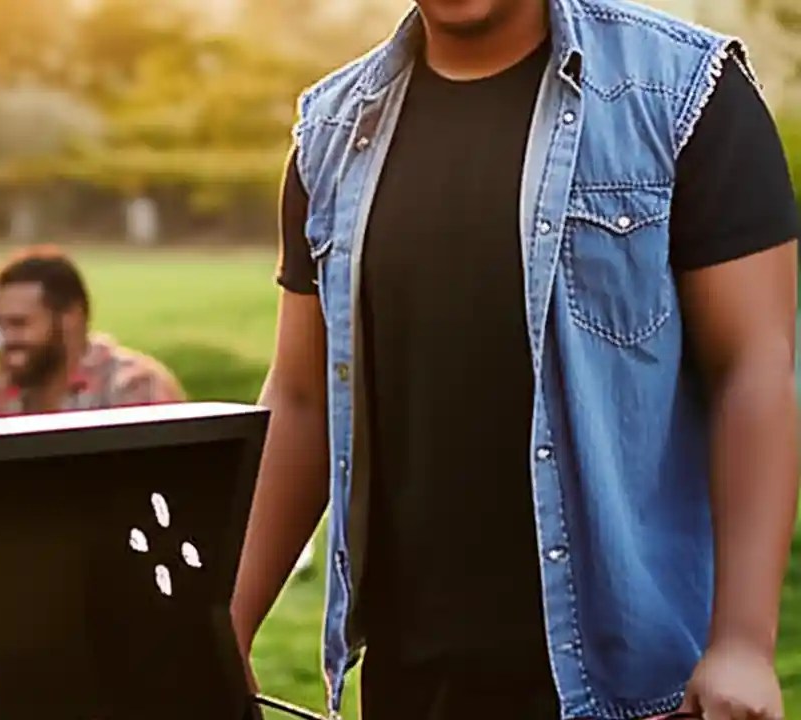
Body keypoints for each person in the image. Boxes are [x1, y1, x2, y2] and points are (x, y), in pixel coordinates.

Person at [231, 1, 799, 719]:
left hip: (635, 692)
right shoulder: (332, 131)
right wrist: (223, 624)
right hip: (414, 686)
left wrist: (743, 642)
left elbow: (753, 369)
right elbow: (303, 398)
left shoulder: (683, 92)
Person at [0, 245, 185, 416]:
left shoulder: (133, 386)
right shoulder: (10, 389)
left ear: (71, 318)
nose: (6, 338)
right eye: (1, 325)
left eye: (19, 324)